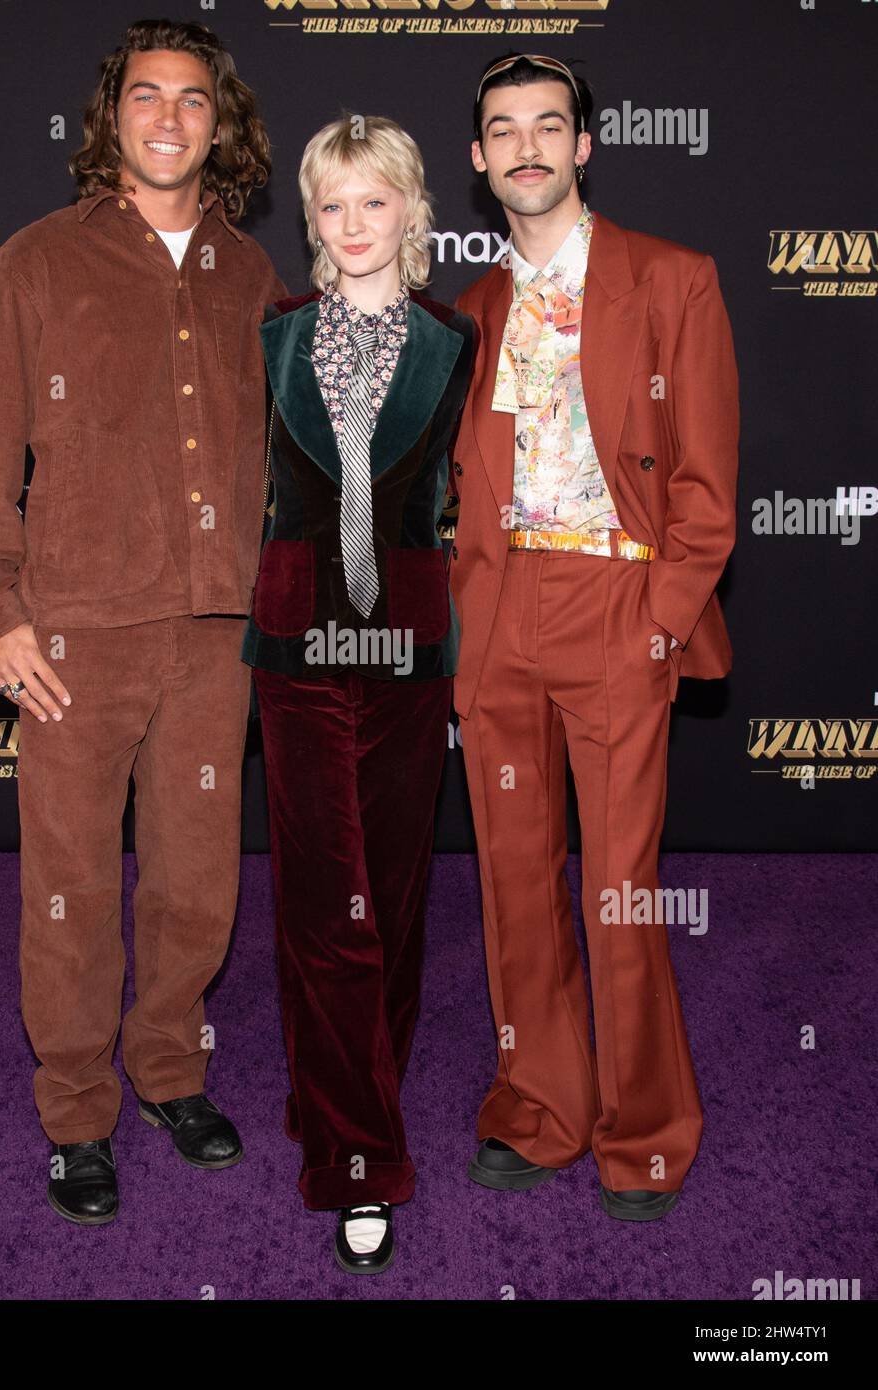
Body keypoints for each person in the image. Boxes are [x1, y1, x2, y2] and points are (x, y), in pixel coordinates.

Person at [0, 19, 287, 1225]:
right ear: (112, 118)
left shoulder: (255, 280)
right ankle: (78, 1110)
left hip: (214, 636)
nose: (169, 118)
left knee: (195, 883)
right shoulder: (31, 266)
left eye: (195, 101)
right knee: (73, 885)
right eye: (147, 96)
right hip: (74, 636)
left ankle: (170, 1071)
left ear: (219, 126)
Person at [449, 55, 738, 1220]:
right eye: (503, 130)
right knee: (516, 883)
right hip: (501, 613)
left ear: (584, 146)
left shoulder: (673, 280)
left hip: (620, 610)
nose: (526, 146)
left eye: (548, 126)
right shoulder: (466, 313)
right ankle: (541, 1105)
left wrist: (658, 629)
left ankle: (645, 1129)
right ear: (476, 161)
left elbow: (707, 492)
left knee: (618, 890)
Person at [242, 115, 477, 1272]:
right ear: (314, 220)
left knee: (389, 895)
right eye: (331, 204)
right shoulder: (274, 333)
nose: (352, 224)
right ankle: (357, 1159)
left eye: (372, 201)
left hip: (405, 646)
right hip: (296, 644)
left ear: (410, 210)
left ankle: (334, 1083)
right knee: (323, 896)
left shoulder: (455, 338)